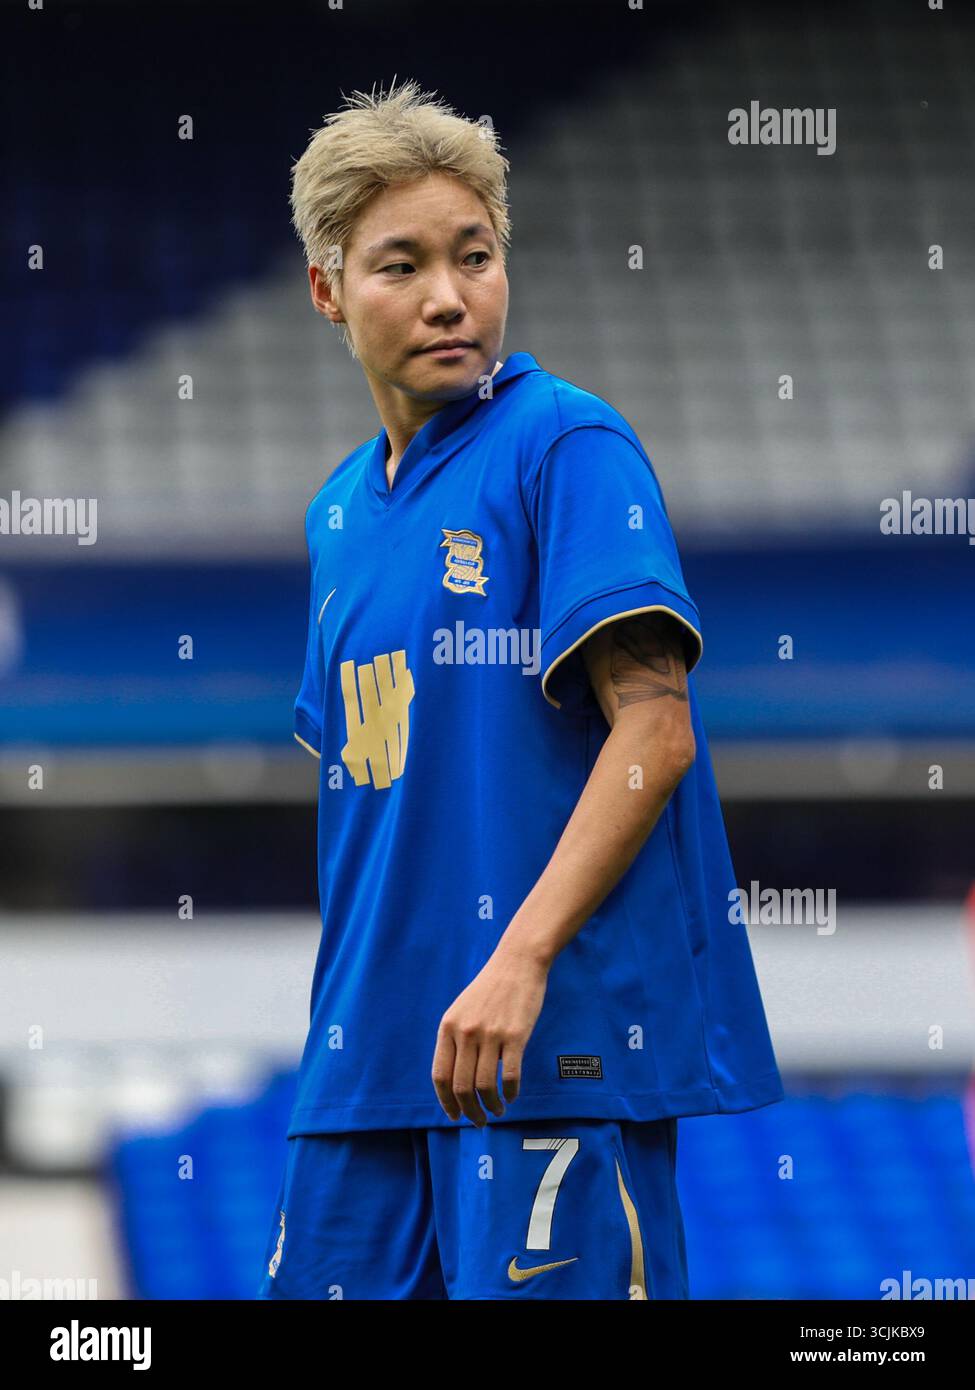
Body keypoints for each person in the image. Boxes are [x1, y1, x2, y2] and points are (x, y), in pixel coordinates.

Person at [257, 78, 784, 1301]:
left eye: (475, 255)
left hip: (550, 1053)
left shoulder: (566, 444)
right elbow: (375, 794)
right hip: (363, 1074)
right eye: (402, 264)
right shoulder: (335, 516)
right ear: (328, 289)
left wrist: (519, 956)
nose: (450, 295)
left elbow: (657, 727)